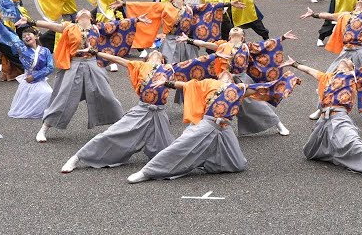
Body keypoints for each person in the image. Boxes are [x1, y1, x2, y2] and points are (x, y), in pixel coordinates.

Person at [126, 69, 297, 183]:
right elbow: (185, 85)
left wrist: (288, 81)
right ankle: (147, 172)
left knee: (238, 164)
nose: (225, 74)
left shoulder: (239, 88)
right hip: (208, 123)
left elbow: (265, 89)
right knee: (180, 146)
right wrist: (166, 83)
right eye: (222, 74)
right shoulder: (208, 83)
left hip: (224, 129)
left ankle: (199, 161)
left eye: (228, 74)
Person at [287, 55, 362, 185]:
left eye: (349, 61)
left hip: (339, 116)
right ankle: (340, 155)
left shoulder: (354, 76)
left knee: (354, 142)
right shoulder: (328, 77)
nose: (346, 60)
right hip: (323, 119)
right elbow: (309, 70)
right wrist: (294, 64)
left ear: (351, 68)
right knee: (309, 152)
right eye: (342, 61)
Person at [61, 50, 177, 173]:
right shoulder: (139, 66)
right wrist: (94, 52)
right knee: (111, 134)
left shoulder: (169, 69)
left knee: (169, 149)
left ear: (163, 60)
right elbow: (115, 58)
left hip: (159, 114)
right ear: (147, 59)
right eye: (151, 53)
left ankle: (193, 163)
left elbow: (193, 68)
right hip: (142, 110)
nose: (155, 51)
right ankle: (78, 157)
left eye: (158, 53)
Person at [32, 11, 132, 143]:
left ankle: (122, 127)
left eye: (87, 12)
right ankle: (44, 129)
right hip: (75, 64)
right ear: (77, 18)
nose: (84, 11)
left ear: (91, 18)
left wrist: (137, 20)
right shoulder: (70, 27)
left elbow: (120, 24)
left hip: (92, 64)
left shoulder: (97, 28)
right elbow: (51, 25)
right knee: (64, 98)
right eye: (81, 12)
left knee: (107, 95)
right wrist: (31, 22)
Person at [0, 21, 54, 119]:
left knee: (48, 93)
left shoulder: (45, 50)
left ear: (36, 36)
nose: (26, 37)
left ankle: (41, 112)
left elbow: (50, 67)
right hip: (28, 80)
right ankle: (34, 112)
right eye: (24, 37)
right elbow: (11, 37)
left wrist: (35, 76)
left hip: (39, 78)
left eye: (28, 35)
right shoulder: (22, 49)